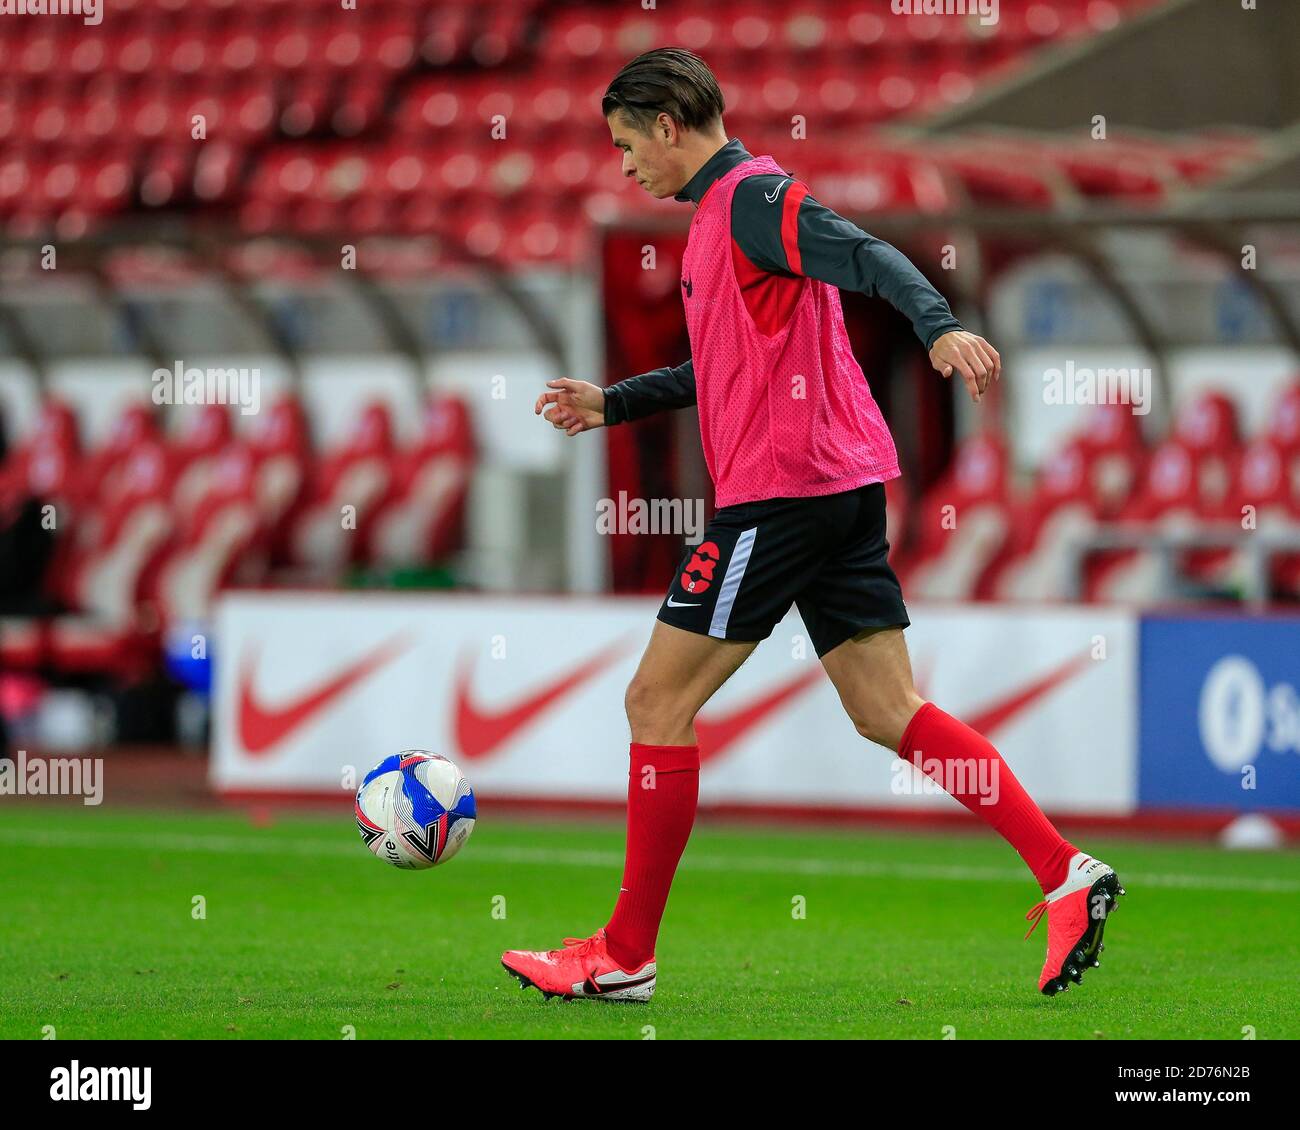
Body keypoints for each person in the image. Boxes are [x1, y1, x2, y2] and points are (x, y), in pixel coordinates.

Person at [503, 48, 1122, 1002]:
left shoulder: (751, 198)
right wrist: (613, 404)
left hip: (783, 497)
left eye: (630, 146)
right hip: (842, 487)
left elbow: (867, 252)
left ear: (670, 126)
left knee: (654, 705)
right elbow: (724, 371)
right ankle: (1065, 874)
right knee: (887, 711)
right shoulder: (724, 219)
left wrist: (936, 324)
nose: (626, 168)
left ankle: (625, 954)